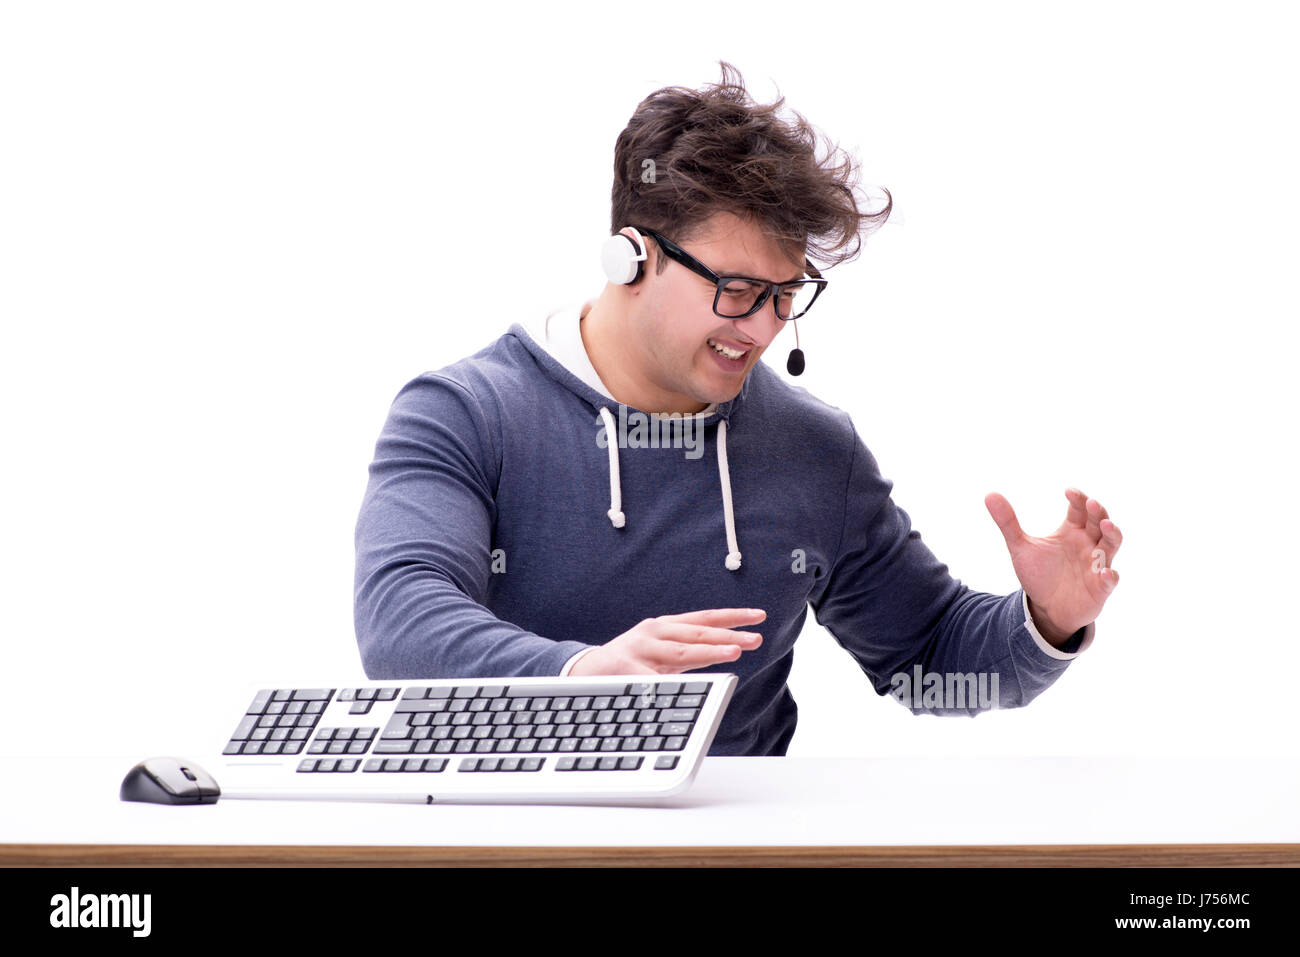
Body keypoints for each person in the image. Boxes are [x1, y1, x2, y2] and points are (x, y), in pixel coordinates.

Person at [352, 62, 1122, 756]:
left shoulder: (814, 449)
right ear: (632, 257)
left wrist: (1044, 622)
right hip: (512, 839)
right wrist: (579, 672)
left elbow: (927, 657)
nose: (761, 328)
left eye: (785, 295)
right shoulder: (464, 415)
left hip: (737, 847)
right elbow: (400, 623)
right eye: (737, 291)